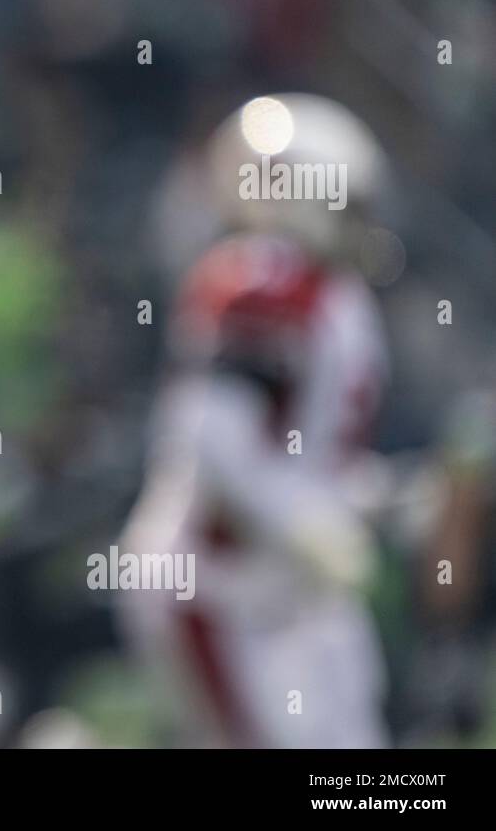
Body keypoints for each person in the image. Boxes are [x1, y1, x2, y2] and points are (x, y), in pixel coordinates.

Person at [118, 94, 392, 747]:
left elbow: (312, 449)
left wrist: (359, 494)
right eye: (346, 201)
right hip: (217, 584)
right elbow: (211, 435)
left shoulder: (340, 295)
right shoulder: (258, 281)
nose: (359, 220)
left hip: (294, 590)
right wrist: (308, 524)